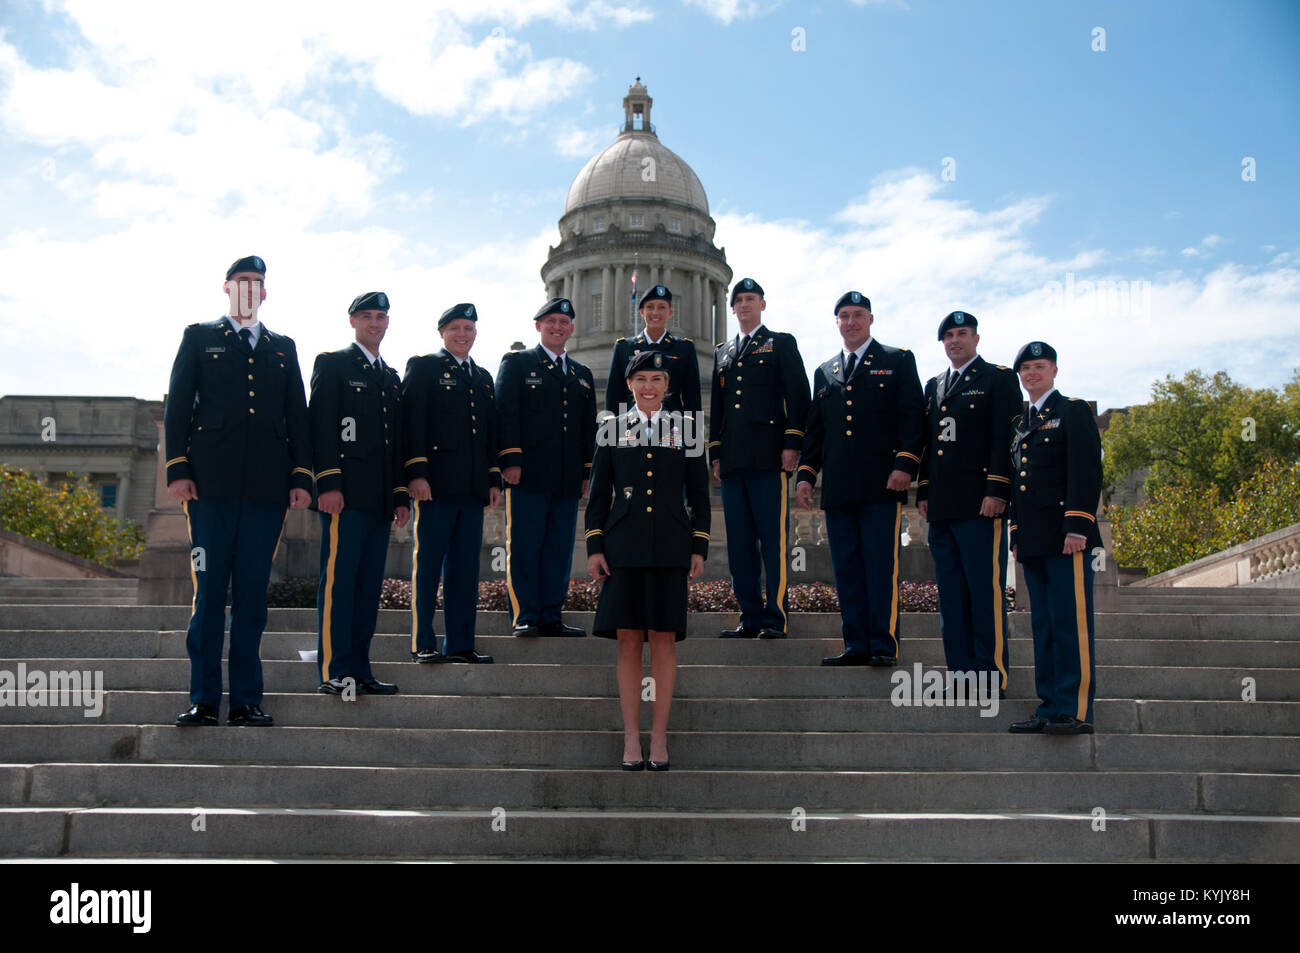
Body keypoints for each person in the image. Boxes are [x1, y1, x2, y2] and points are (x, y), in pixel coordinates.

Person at [165, 255, 313, 726]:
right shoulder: (199, 337)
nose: (249, 289)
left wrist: (300, 477)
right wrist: (178, 469)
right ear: (227, 289)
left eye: (257, 283)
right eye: (241, 281)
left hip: (267, 493)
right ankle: (204, 700)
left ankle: (246, 699)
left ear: (265, 293)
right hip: (209, 489)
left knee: (252, 595)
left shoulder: (284, 348)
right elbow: (178, 408)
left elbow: (297, 419)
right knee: (209, 593)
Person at [586, 350, 710, 770]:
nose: (649, 386)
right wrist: (595, 547)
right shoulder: (612, 430)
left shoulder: (686, 430)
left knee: (662, 641)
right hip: (623, 547)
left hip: (671, 546)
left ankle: (659, 738)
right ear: (628, 385)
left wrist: (699, 546)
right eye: (641, 378)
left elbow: (699, 495)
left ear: (667, 386)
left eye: (657, 378)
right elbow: (599, 495)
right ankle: (631, 737)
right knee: (627, 641)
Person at [795, 291, 924, 666]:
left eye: (858, 315)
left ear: (871, 319)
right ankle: (855, 643)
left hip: (882, 485)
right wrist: (806, 475)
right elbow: (815, 432)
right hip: (838, 489)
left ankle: (883, 644)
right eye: (844, 316)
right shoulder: (826, 371)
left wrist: (905, 465)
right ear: (837, 322)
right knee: (847, 570)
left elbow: (912, 417)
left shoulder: (896, 360)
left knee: (880, 567)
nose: (851, 322)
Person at [309, 291, 409, 697]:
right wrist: (329, 484)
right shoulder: (333, 364)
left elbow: (397, 442)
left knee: (368, 590)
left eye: (380, 317)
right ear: (352, 321)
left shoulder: (390, 377)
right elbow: (321, 427)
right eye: (366, 316)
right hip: (345, 497)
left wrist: (400, 497)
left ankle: (360, 670)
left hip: (380, 500)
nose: (374, 323)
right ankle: (334, 670)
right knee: (339, 585)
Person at [916, 311, 1021, 695]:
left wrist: (997, 489)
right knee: (952, 595)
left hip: (981, 504)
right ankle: (960, 675)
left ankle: (990, 674)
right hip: (943, 506)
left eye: (962, 334)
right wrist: (924, 490)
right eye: (949, 336)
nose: (955, 341)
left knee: (983, 591)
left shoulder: (998, 378)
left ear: (976, 338)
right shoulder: (934, 385)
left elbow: (1005, 440)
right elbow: (929, 447)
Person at [1006, 341, 1103, 734]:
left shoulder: (1072, 411)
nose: (1032, 373)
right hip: (1034, 540)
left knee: (1070, 623)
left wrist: (1077, 525)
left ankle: (1074, 709)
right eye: (1026, 368)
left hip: (1068, 539)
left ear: (1054, 371)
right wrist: (1016, 532)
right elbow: (1017, 484)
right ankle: (1048, 707)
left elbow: (1086, 472)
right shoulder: (1019, 423)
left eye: (1040, 366)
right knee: (1044, 626)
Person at [708, 277, 810, 639]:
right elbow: (718, 410)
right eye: (739, 300)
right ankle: (748, 615)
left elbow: (799, 396)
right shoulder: (723, 352)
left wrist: (792, 444)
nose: (745, 305)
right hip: (734, 461)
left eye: (751, 299)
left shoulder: (780, 343)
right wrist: (716, 454)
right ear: (732, 308)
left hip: (769, 458)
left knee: (772, 541)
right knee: (739, 544)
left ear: (762, 305)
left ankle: (774, 616)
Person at [403, 302, 501, 664]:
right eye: (456, 328)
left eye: (469, 329)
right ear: (442, 332)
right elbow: (413, 423)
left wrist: (493, 479)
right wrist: (416, 473)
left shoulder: (482, 377)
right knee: (428, 565)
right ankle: (422, 642)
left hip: (472, 490)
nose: (463, 334)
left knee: (464, 570)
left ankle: (460, 643)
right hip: (436, 487)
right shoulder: (425, 367)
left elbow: (489, 434)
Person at [495, 297, 597, 637]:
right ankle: (525, 614)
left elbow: (586, 429)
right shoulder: (519, 363)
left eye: (564, 322)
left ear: (571, 328)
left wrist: (586, 472)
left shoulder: (582, 375)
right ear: (538, 326)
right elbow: (506, 414)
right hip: (527, 474)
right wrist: (510, 460)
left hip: (566, 477)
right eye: (551, 321)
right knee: (524, 546)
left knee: (558, 549)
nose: (557, 327)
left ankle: (551, 614)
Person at [605, 285, 702, 414]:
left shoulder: (684, 348)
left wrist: (694, 432)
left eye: (662, 307)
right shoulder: (624, 348)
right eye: (650, 307)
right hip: (633, 428)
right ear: (641, 312)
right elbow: (614, 396)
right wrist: (613, 431)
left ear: (670, 312)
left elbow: (692, 398)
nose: (655, 312)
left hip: (673, 427)